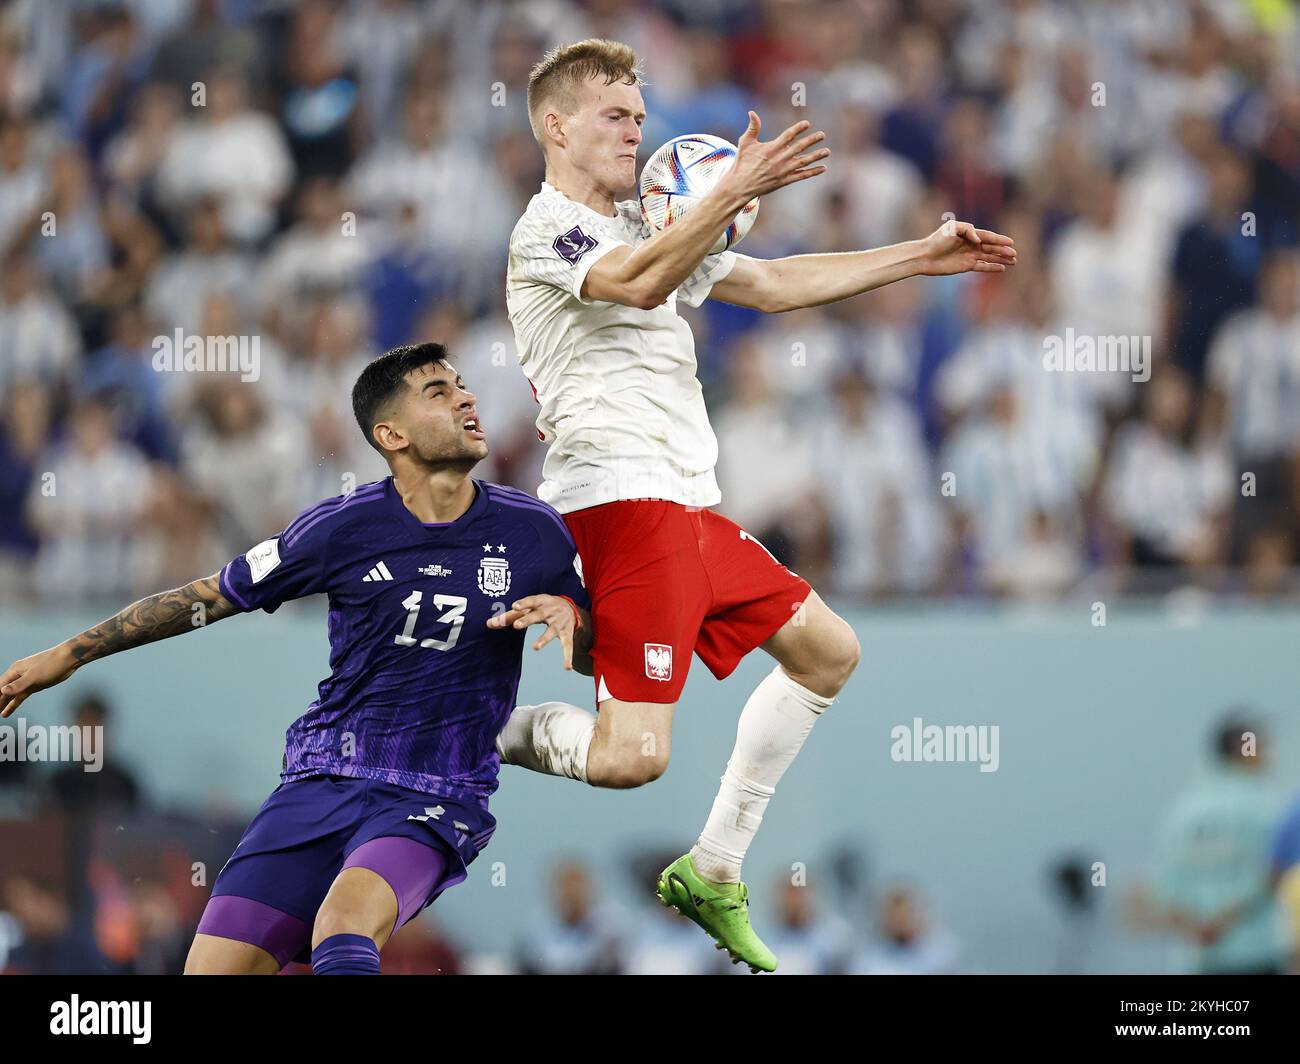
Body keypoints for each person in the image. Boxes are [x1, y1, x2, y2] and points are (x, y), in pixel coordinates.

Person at [495, 37, 1015, 972]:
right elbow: (637, 283)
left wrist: (919, 256)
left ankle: (715, 866)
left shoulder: (648, 227)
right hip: (618, 506)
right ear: (555, 124)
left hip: (687, 508)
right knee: (630, 758)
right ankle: (465, 727)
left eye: (641, 116)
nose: (635, 132)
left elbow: (769, 283)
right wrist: (731, 193)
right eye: (615, 116)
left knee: (828, 653)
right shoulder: (547, 230)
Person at [0, 343, 592, 975]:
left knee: (342, 925)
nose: (467, 398)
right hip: (319, 780)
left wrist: (576, 624)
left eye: (462, 386)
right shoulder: (340, 529)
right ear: (391, 434)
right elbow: (206, 597)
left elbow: (590, 658)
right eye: (438, 393)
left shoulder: (535, 532)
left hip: (436, 790)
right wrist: (70, 653)